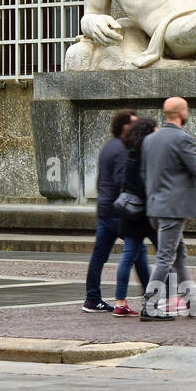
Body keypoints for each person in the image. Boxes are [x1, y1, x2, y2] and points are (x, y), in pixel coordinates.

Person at [139, 97, 196, 322]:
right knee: (166, 257)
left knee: (178, 256)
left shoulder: (150, 140)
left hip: (155, 207)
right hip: (173, 209)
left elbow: (144, 174)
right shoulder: (181, 139)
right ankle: (149, 305)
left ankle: (192, 302)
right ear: (181, 112)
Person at [83, 109, 136, 312]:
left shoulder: (108, 147)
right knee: (136, 251)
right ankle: (149, 300)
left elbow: (102, 179)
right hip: (118, 211)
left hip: (104, 209)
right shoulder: (123, 148)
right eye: (133, 123)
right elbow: (122, 180)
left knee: (99, 256)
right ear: (125, 126)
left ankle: (92, 298)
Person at [112, 116, 157, 317]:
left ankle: (121, 301)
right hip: (144, 213)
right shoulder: (145, 155)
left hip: (131, 212)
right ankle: (172, 297)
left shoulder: (131, 151)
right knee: (167, 254)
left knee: (129, 256)